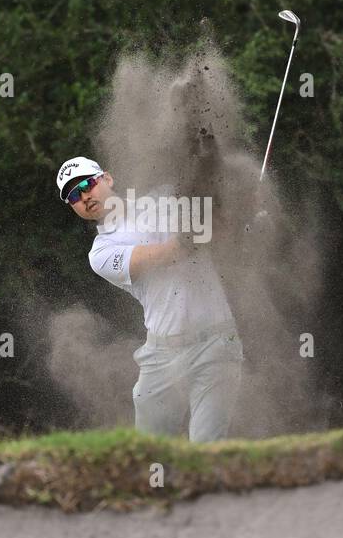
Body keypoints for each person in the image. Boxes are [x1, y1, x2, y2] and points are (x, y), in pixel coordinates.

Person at [56, 156, 243, 442]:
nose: (84, 196)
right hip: (161, 356)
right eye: (73, 195)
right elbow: (159, 256)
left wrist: (244, 215)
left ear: (107, 178)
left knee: (208, 447)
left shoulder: (164, 196)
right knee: (152, 454)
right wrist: (193, 236)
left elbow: (219, 216)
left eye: (86, 184)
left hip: (217, 342)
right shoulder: (101, 252)